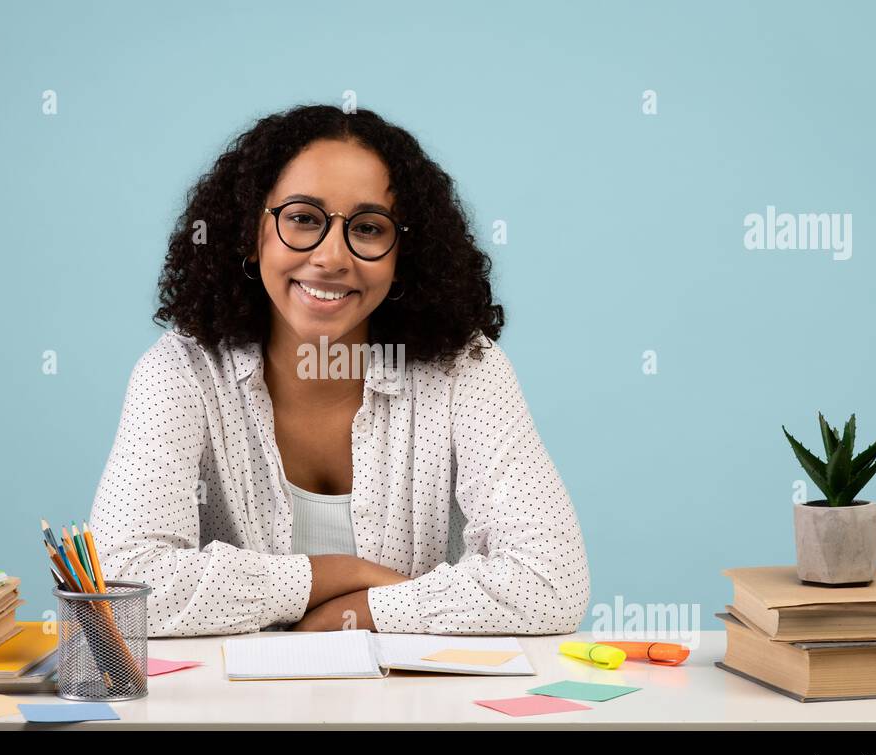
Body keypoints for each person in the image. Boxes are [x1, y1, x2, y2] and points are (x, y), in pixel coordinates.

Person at [88, 103, 589, 636]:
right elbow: (119, 593)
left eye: (369, 229)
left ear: (403, 257)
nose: (331, 257)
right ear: (248, 236)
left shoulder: (465, 370)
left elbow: (552, 585)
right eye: (303, 218)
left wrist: (367, 612)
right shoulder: (181, 372)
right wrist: (334, 575)